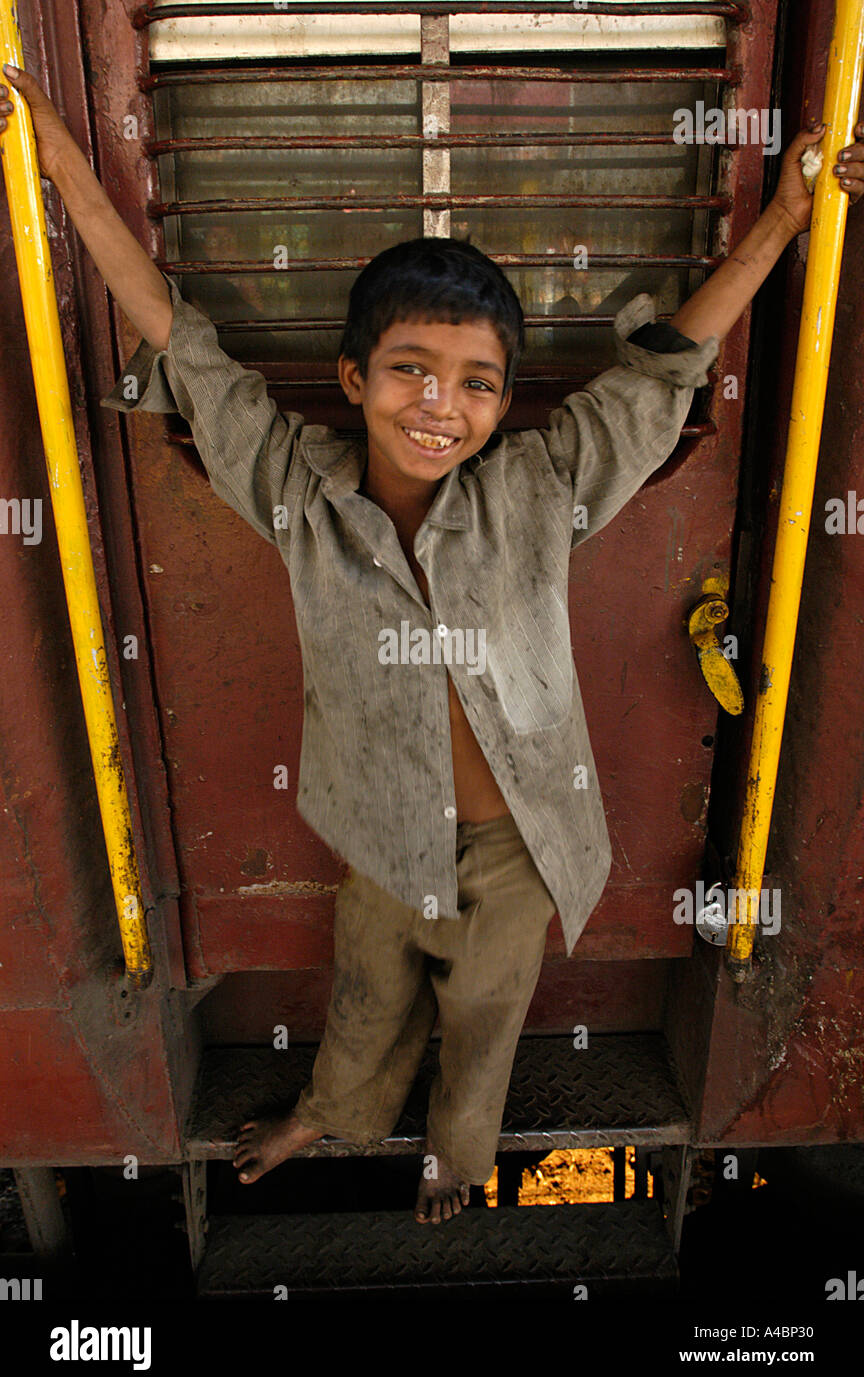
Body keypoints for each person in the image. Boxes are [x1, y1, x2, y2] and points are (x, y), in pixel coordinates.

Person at [3, 61, 861, 1225]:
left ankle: (458, 1151)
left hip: (516, 839)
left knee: (488, 1007)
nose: (437, 406)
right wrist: (56, 163)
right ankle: (337, 1110)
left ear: (505, 406)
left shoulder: (537, 486)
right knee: (365, 986)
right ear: (356, 378)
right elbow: (179, 339)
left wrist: (787, 219)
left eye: (476, 385)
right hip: (377, 820)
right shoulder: (298, 488)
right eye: (411, 370)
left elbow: (665, 369)